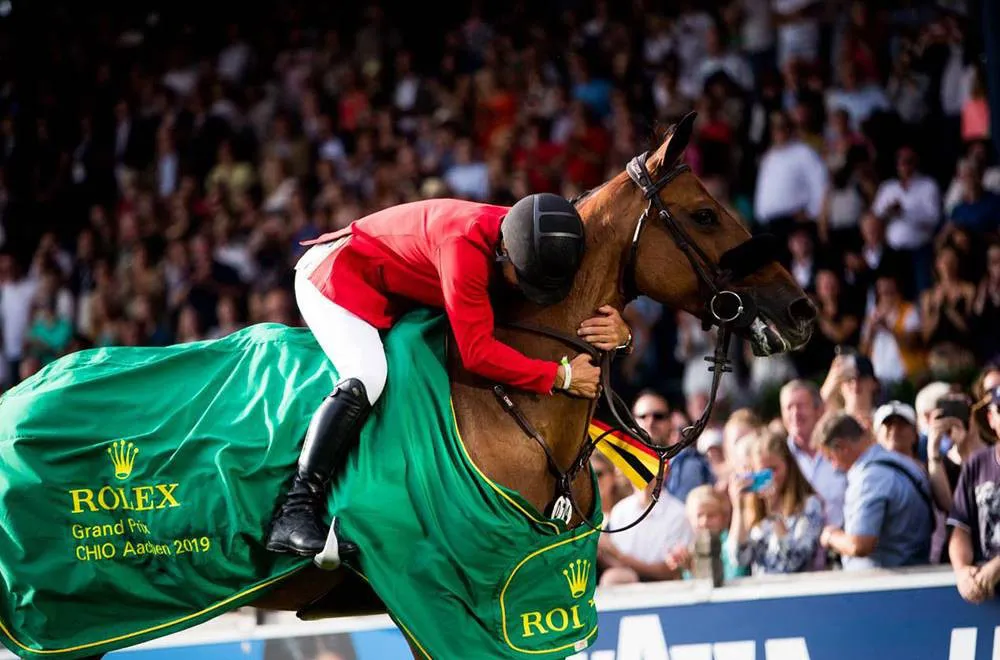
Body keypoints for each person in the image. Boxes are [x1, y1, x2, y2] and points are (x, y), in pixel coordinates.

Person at [267, 194, 633, 559]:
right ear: (505, 251)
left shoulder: (534, 231)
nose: (527, 290)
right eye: (524, 279)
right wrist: (559, 376)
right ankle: (294, 510)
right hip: (337, 278)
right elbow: (477, 353)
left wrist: (622, 334)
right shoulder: (463, 249)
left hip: (399, 286)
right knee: (367, 375)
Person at [814, 411, 934, 570]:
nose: (833, 466)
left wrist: (831, 536)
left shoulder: (869, 478)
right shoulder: (903, 462)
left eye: (831, 458)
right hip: (913, 570)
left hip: (889, 579)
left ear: (841, 447)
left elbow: (860, 544)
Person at [730, 431, 825, 575]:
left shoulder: (809, 505)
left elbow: (794, 562)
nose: (770, 477)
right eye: (762, 472)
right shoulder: (755, 509)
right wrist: (739, 508)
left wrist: (774, 514)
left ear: (788, 466)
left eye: (773, 469)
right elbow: (739, 559)